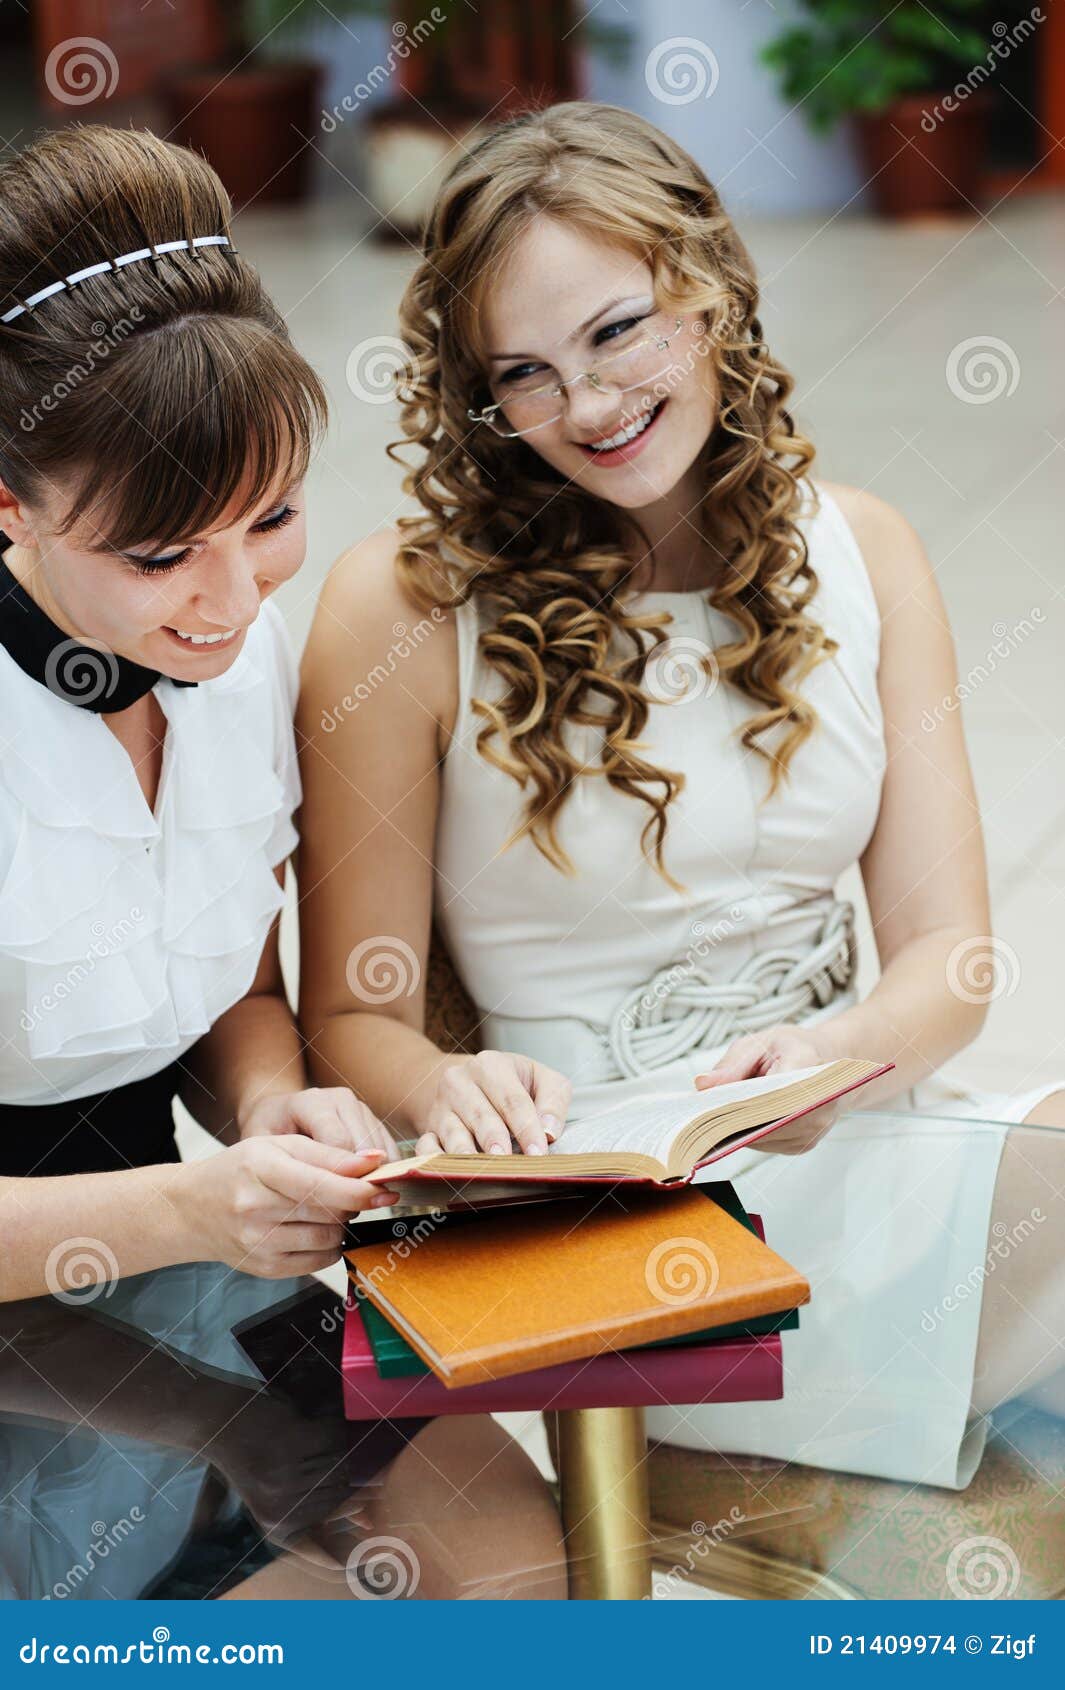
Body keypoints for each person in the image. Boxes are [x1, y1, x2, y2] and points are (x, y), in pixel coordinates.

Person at [297, 102, 1065, 1493]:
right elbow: (350, 1017)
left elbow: (951, 960)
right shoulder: (399, 612)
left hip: (859, 1130)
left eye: (618, 333)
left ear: (709, 291)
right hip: (598, 1206)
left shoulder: (866, 550)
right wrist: (444, 1083)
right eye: (525, 375)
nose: (588, 407)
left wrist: (841, 1055)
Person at [0, 124, 564, 1600]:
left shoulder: (231, 657)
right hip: (61, 1260)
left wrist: (271, 1104)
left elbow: (239, 989)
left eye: (271, 520)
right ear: (8, 505)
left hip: (170, 1247)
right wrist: (192, 1208)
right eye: (157, 555)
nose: (231, 598)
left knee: (509, 1566)